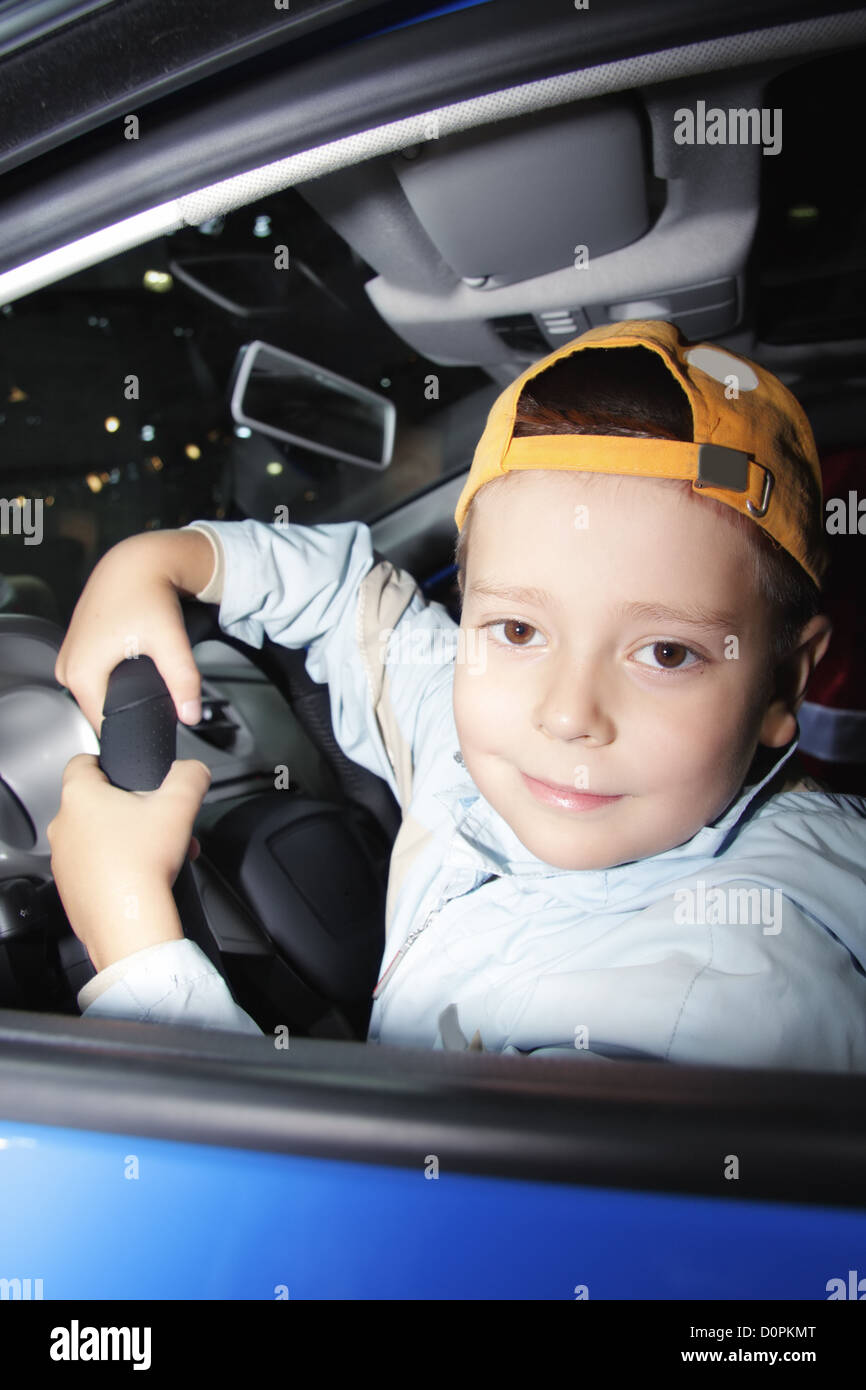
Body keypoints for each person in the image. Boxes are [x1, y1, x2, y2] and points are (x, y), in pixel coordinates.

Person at [47, 320, 866, 1068]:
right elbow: (348, 598)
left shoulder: (728, 1014)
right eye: (517, 631)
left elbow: (392, 1234)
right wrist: (155, 561)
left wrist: (135, 953)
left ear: (784, 683)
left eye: (665, 651)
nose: (566, 714)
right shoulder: (481, 738)